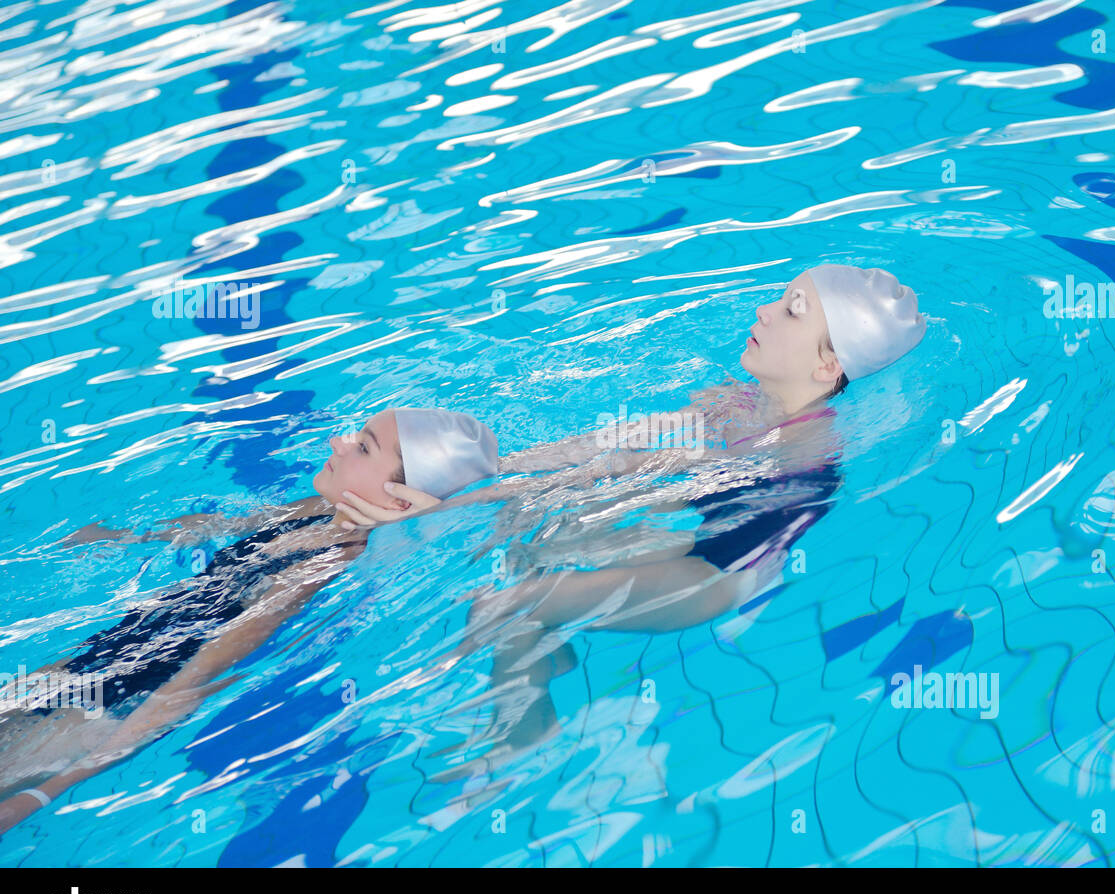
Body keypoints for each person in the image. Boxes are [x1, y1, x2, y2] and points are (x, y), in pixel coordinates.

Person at [333, 264, 927, 761]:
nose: (766, 311)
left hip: (717, 580)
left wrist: (447, 504)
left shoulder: (799, 448)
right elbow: (610, 446)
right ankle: (546, 643)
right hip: (704, 536)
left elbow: (623, 474)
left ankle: (523, 729)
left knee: (502, 603)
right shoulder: (742, 403)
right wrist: (495, 469)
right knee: (530, 534)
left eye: (792, 310)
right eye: (779, 298)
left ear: (828, 366)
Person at [0, 407, 498, 835]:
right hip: (101, 654)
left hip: (116, 704)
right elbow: (229, 526)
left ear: (398, 499)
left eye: (364, 448)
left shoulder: (317, 567)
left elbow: (192, 682)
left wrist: (44, 794)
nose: (340, 441)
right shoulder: (320, 509)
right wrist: (133, 536)